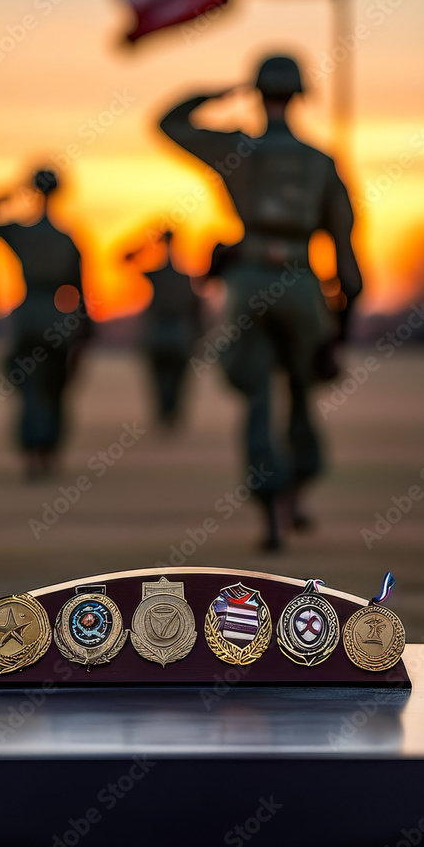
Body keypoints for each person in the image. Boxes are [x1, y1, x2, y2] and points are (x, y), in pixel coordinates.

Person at [159, 54, 362, 550]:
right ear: (298, 95)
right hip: (301, 283)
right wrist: (341, 328)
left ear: (258, 94)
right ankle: (297, 492)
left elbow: (169, 123)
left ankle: (270, 509)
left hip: (248, 283)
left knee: (256, 398)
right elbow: (347, 258)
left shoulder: (237, 150)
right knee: (300, 391)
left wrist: (220, 92)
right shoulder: (322, 162)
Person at [0, 169, 85, 479]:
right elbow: (79, 288)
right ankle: (48, 451)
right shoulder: (66, 237)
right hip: (58, 317)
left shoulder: (21, 232)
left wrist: (10, 193)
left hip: (27, 316)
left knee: (30, 389)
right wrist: (81, 329)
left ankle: (33, 452)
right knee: (54, 390)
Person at [126, 230, 201, 427]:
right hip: (176, 333)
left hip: (162, 332)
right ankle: (169, 416)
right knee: (174, 379)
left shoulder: (161, 275)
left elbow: (127, 259)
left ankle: (166, 415)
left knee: (162, 379)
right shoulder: (184, 277)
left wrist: (149, 243)